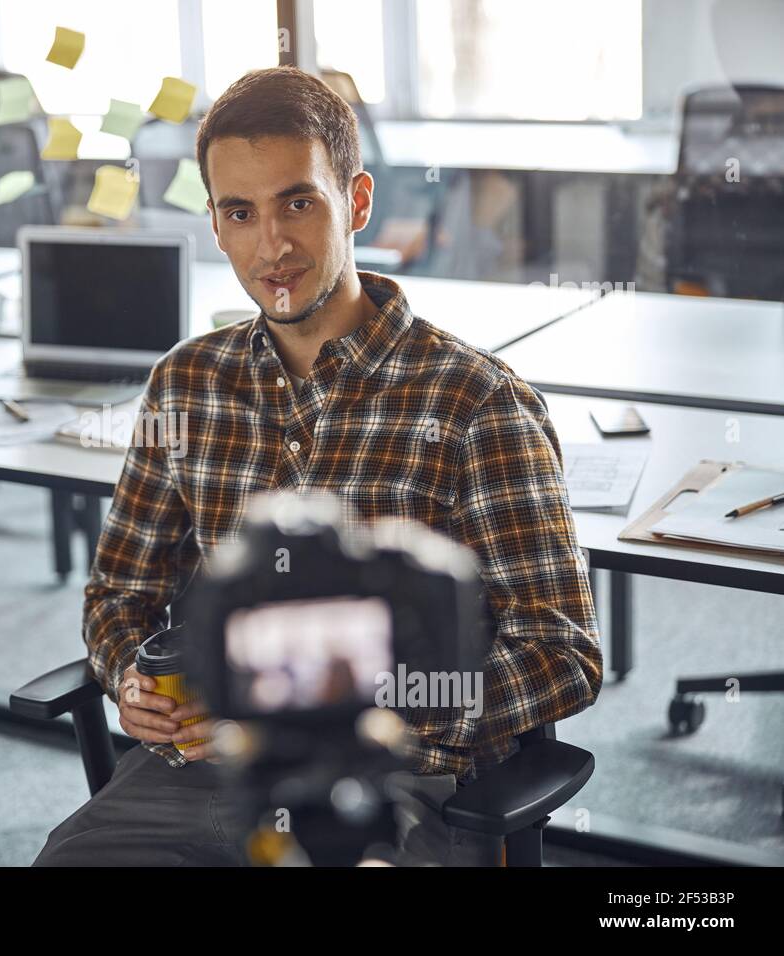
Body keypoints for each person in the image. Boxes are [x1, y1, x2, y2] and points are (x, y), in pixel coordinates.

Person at [34, 68, 602, 867]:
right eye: (241, 212)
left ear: (357, 202)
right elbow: (121, 590)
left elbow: (560, 653)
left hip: (395, 785)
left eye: (298, 202)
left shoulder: (477, 402)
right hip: (193, 782)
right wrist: (131, 676)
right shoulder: (186, 382)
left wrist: (349, 704)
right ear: (217, 225)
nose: (272, 245)